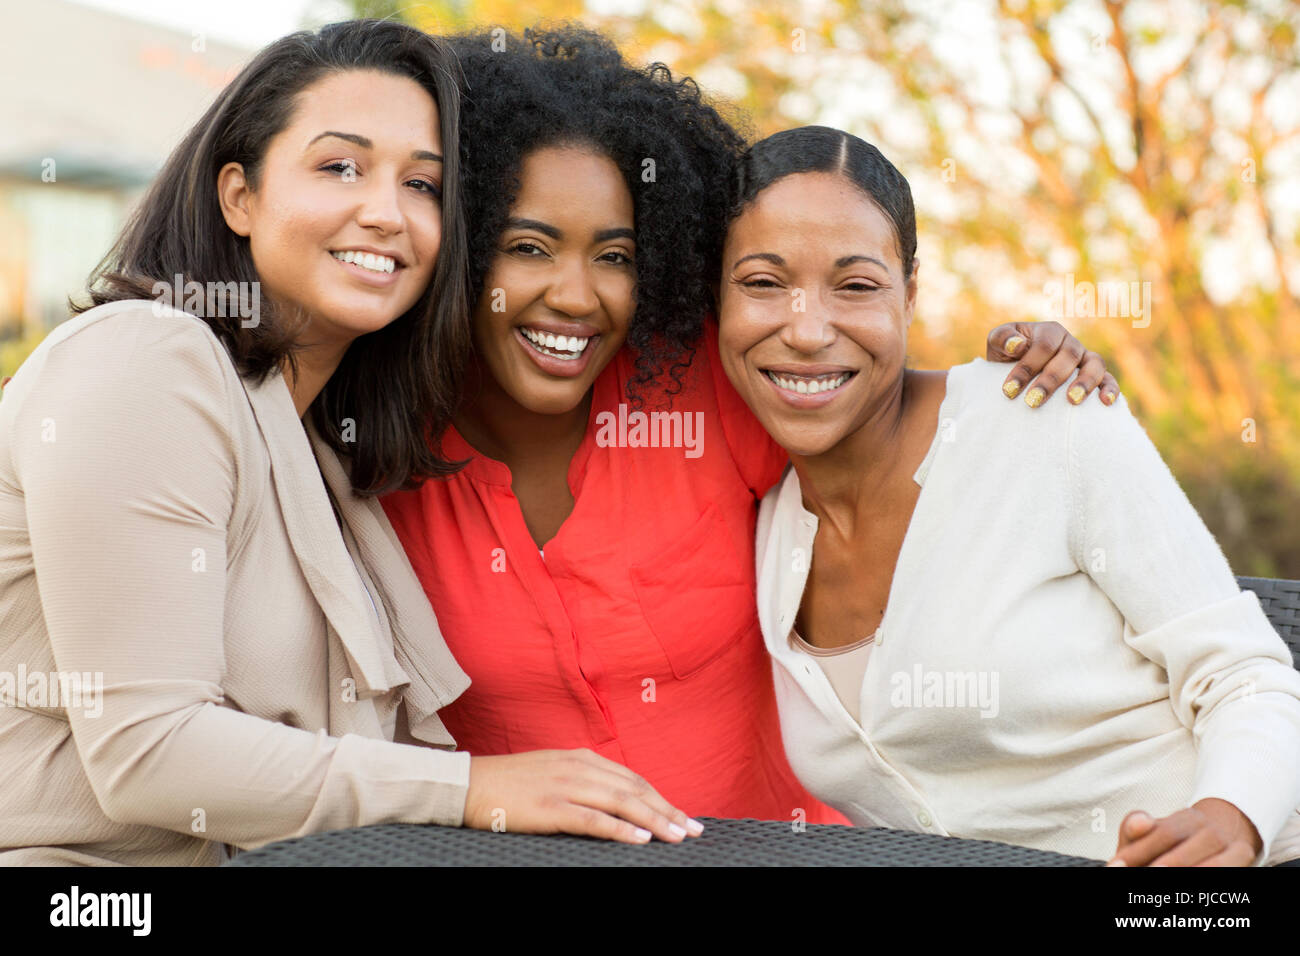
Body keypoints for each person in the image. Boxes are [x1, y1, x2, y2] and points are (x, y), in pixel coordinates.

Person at [380, 26, 1122, 824]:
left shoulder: (695, 385)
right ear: (458, 246)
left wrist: (1026, 381)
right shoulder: (377, 444)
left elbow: (892, 421)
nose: (574, 295)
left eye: (617, 257)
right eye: (527, 247)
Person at [0, 19, 698, 867]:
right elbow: (150, 754)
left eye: (423, 185)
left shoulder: (325, 449)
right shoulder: (148, 359)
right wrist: (477, 791)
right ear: (239, 195)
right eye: (340, 167)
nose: (386, 213)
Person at [716, 124, 1300, 864]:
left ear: (910, 295)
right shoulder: (768, 526)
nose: (806, 330)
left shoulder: (1038, 414)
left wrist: (1230, 819)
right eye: (764, 283)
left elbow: (1244, 673)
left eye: (856, 284)